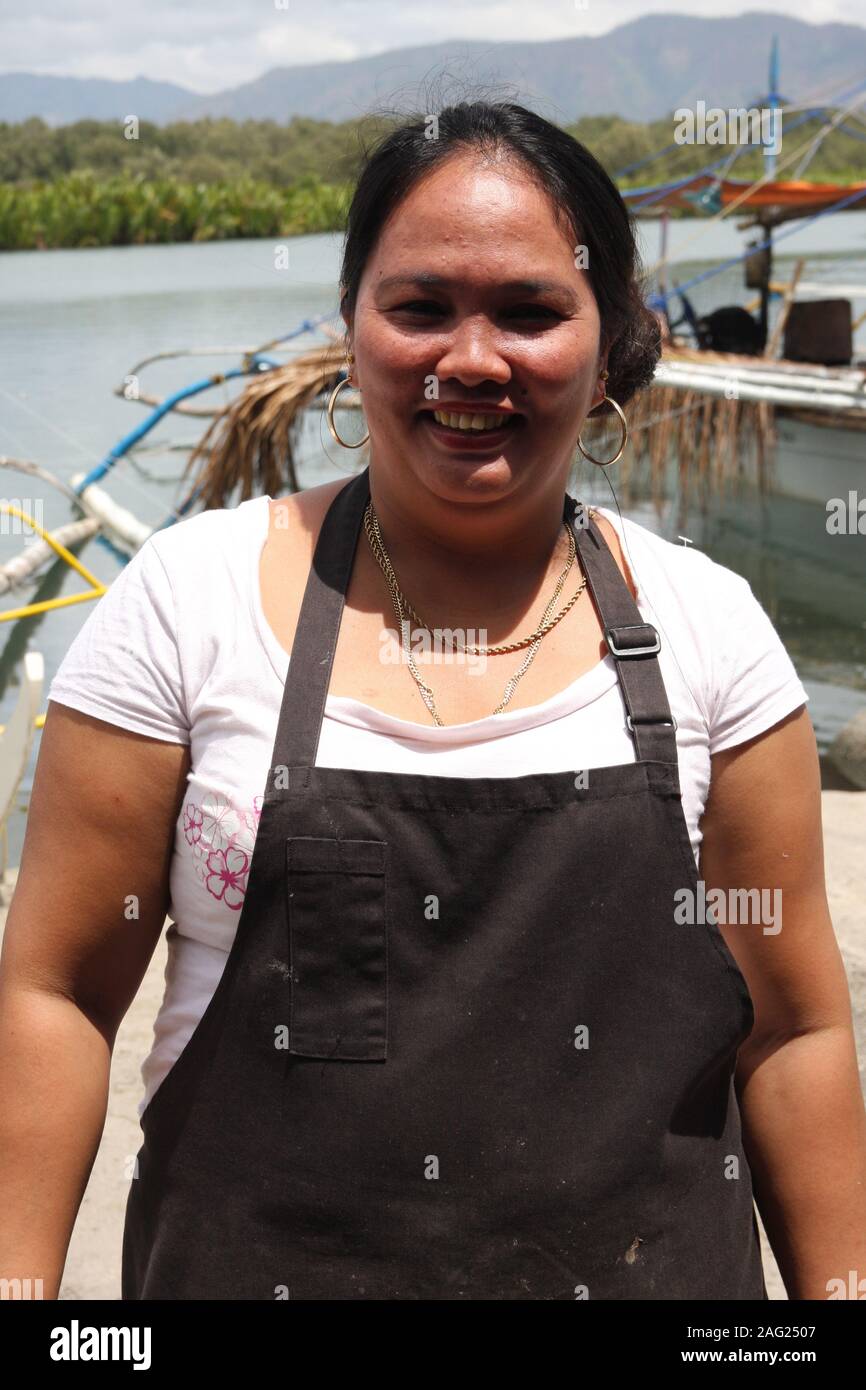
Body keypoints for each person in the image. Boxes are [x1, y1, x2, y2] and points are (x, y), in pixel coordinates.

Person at [2, 101, 865, 1302]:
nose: (471, 357)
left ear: (608, 339)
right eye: (419, 307)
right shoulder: (184, 604)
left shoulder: (709, 632)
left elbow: (793, 1031)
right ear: (351, 329)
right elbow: (56, 994)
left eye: (528, 310)